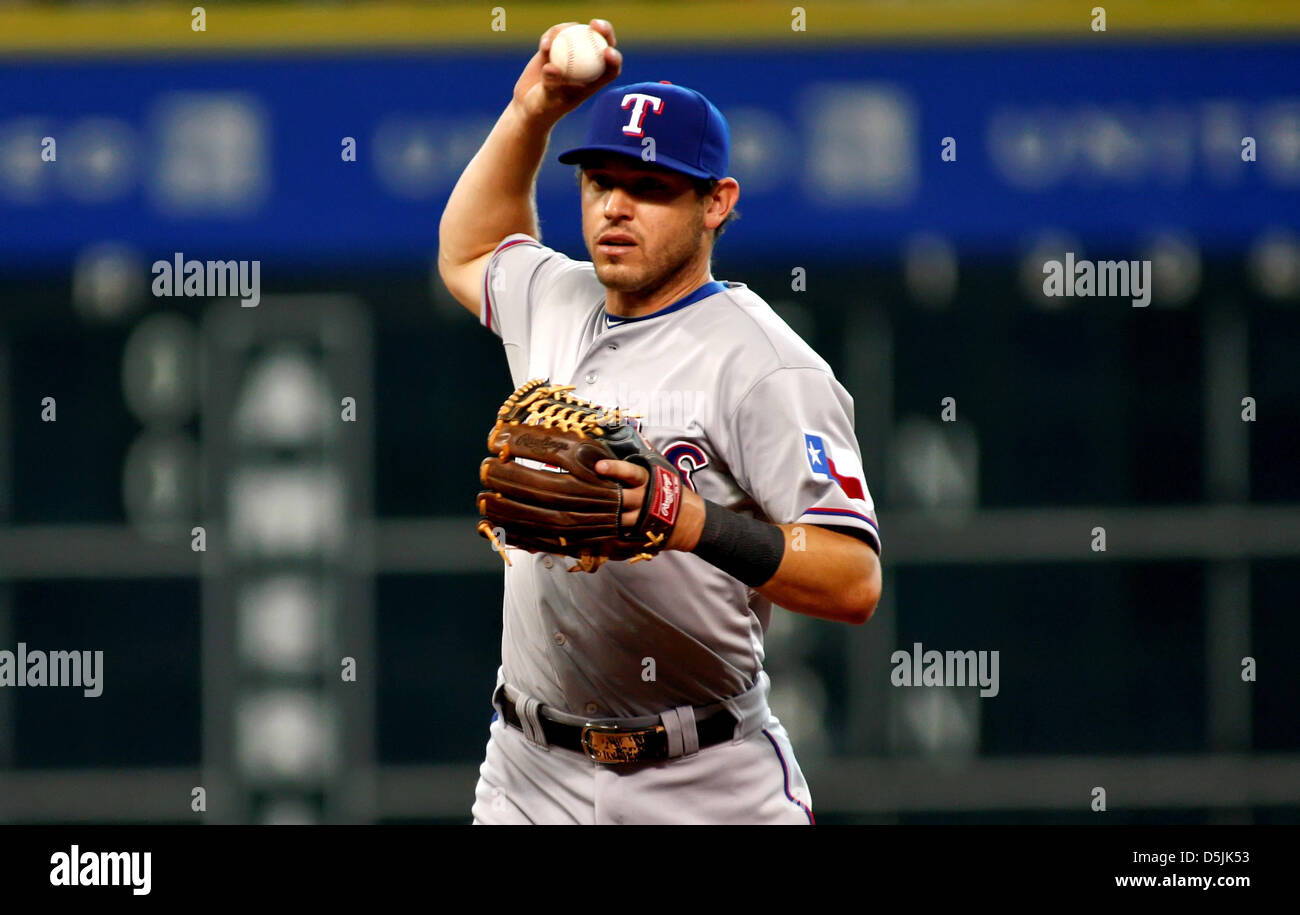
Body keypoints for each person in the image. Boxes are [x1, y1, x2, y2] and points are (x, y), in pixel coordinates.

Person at [438, 19, 882, 824]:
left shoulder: (767, 364)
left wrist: (689, 519)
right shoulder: (557, 296)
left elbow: (854, 579)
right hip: (530, 771)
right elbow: (468, 251)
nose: (614, 205)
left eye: (648, 187)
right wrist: (530, 112)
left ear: (717, 202)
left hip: (706, 778)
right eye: (598, 181)